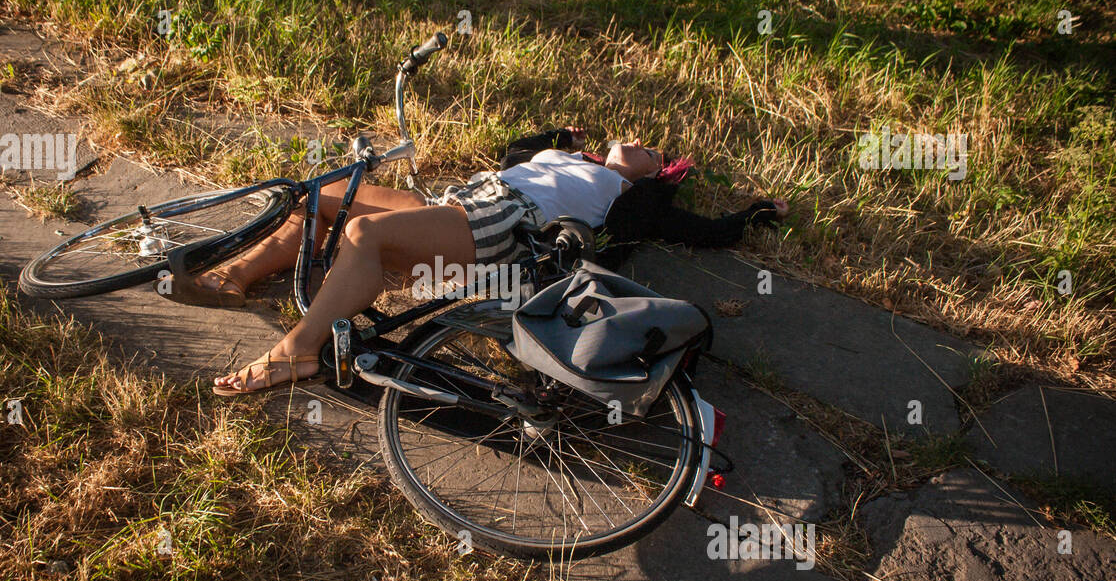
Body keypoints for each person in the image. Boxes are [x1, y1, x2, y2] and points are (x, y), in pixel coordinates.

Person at [163, 127, 788, 395]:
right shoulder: (576, 163)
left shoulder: (632, 198)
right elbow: (512, 151)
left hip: (505, 227)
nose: (643, 146)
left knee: (363, 237)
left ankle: (298, 350)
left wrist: (757, 213)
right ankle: (234, 278)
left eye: (656, 153)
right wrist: (558, 140)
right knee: (323, 195)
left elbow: (705, 232)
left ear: (659, 176)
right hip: (459, 202)